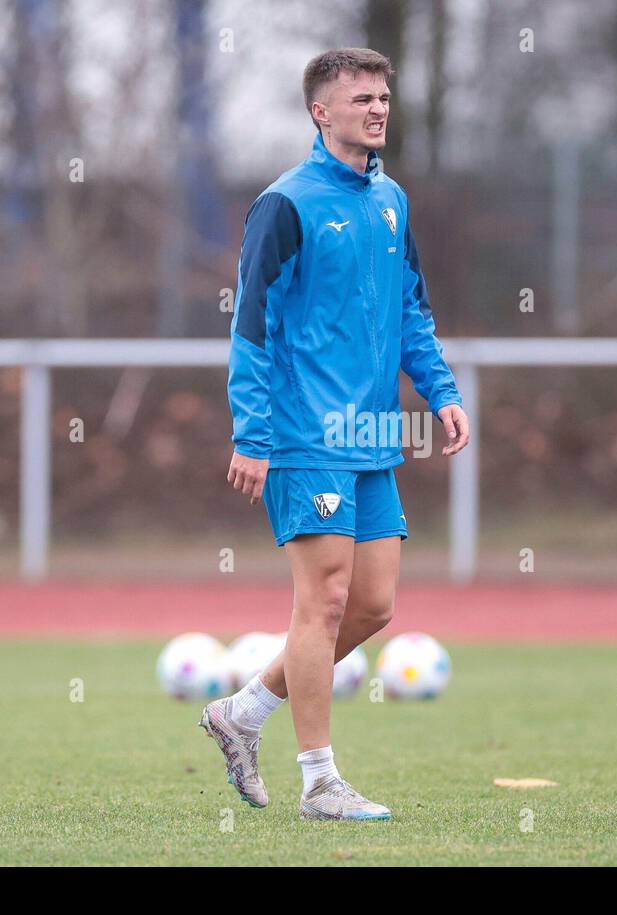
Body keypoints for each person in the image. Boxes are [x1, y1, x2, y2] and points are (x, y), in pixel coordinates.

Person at [201, 47, 470, 821]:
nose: (378, 108)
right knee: (322, 601)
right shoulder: (283, 206)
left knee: (374, 606)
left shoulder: (393, 202)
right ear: (321, 112)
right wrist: (252, 434)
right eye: (361, 98)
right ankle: (320, 782)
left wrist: (440, 391)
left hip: (376, 434)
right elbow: (251, 329)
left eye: (384, 96)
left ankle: (242, 713)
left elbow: (411, 310)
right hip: (301, 437)